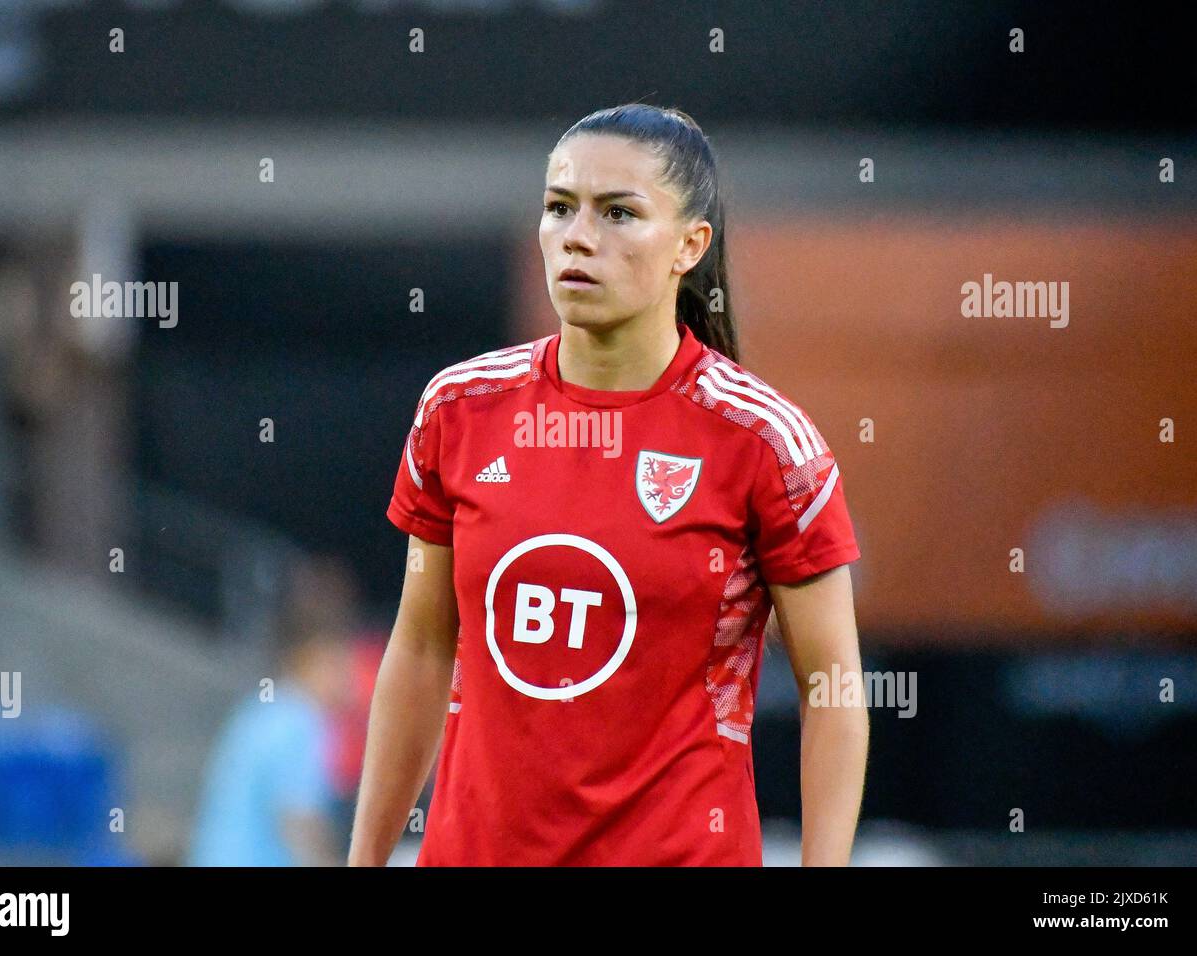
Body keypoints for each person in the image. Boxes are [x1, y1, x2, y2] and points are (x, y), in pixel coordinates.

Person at [349, 103, 867, 867]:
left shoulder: (763, 441)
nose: (578, 237)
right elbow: (423, 649)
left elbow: (834, 689)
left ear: (691, 246)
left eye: (619, 213)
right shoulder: (458, 410)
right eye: (560, 208)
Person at [188, 622, 351, 866]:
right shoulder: (299, 721)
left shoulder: (261, 710)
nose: (347, 679)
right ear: (305, 662)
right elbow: (298, 820)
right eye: (337, 666)